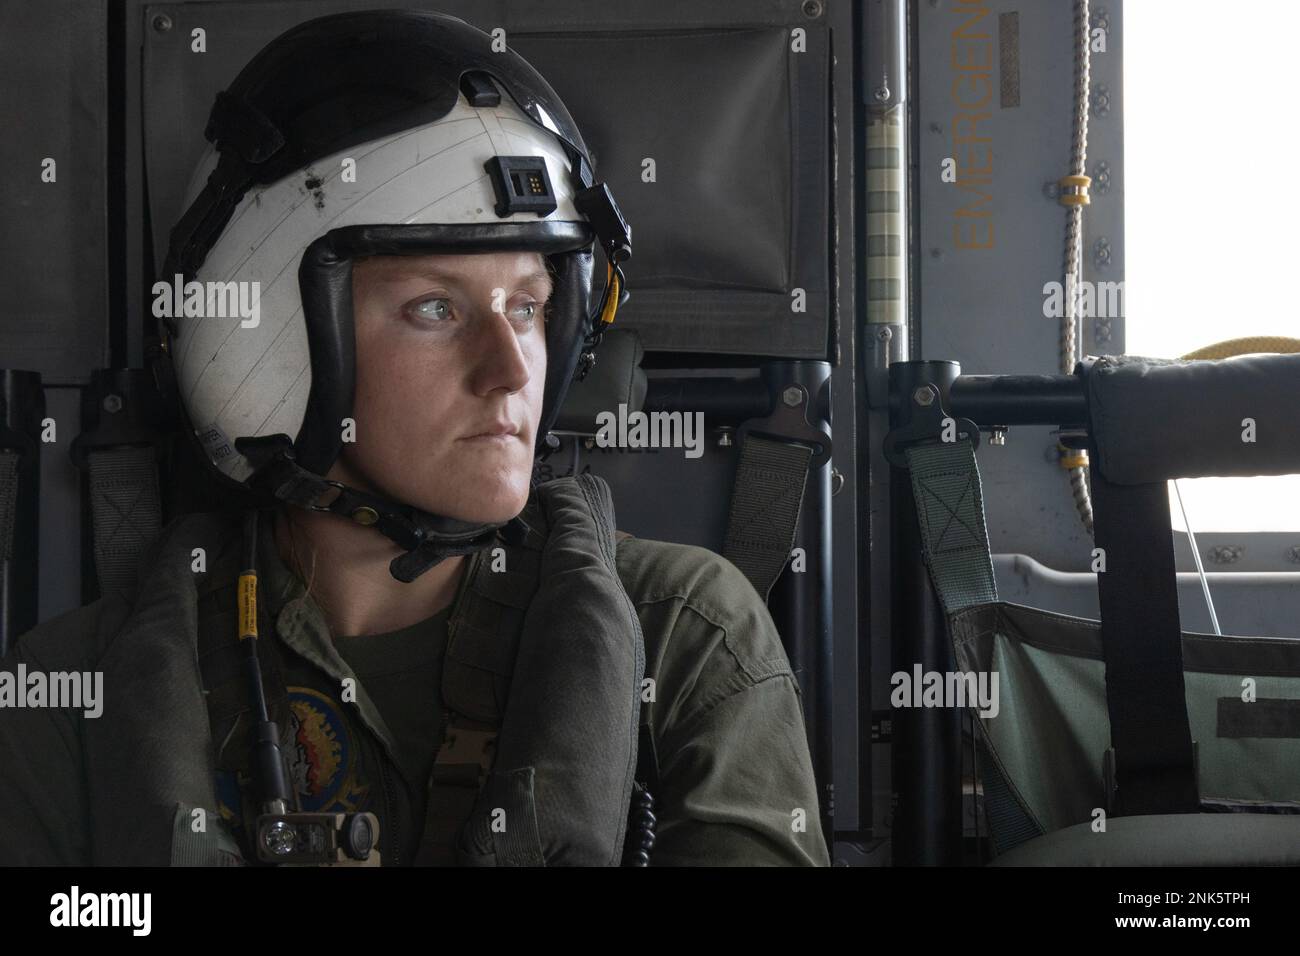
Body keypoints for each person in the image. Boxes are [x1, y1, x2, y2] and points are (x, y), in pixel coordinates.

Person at [0, 9, 827, 866]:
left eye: (530, 308)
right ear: (268, 344)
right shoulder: (71, 692)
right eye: (435, 309)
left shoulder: (687, 636)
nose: (512, 370)